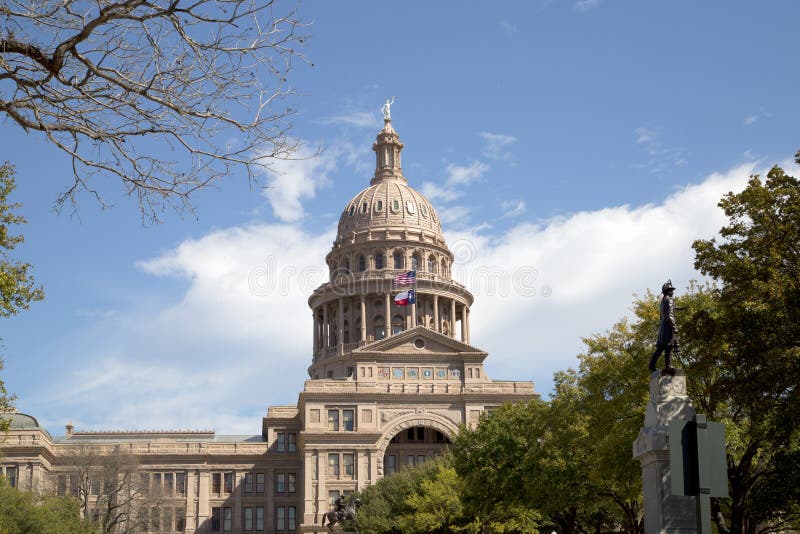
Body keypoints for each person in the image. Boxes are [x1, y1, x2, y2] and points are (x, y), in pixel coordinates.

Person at [649, 279, 678, 374]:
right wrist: (674, 326)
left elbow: (662, 316)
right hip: (668, 326)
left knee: (660, 347)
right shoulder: (669, 300)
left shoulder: (662, 301)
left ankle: (652, 365)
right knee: (669, 346)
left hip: (662, 327)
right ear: (668, 291)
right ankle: (668, 366)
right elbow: (670, 314)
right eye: (671, 290)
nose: (673, 292)